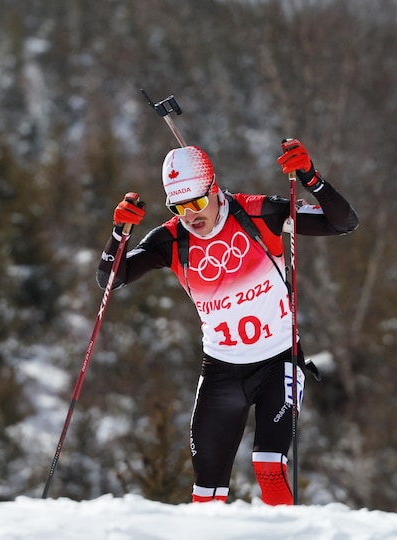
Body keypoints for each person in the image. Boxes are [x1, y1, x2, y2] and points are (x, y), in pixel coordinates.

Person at [98, 139, 359, 505]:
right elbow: (112, 278)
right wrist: (118, 234)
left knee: (269, 468)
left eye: (198, 202)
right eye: (179, 207)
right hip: (222, 371)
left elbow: (343, 222)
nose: (191, 215)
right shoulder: (170, 239)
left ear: (214, 188)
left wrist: (311, 178)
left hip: (278, 361)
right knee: (205, 495)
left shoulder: (258, 214)